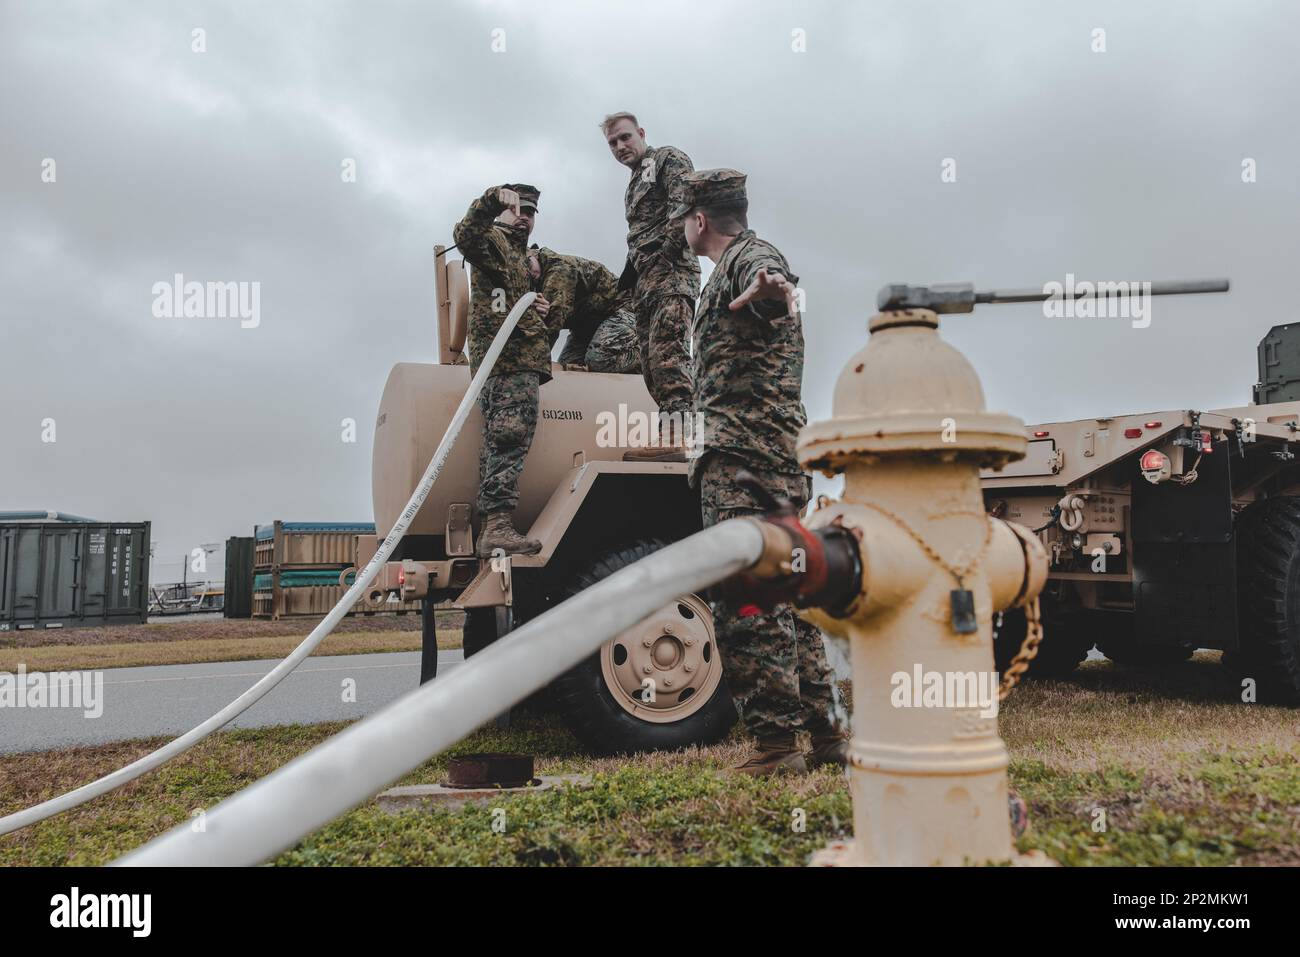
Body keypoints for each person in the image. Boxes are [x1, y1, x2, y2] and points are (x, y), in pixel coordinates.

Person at [677, 168, 847, 775]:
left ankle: (777, 748)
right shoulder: (732, 268)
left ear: (700, 220)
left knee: (748, 600)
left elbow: (774, 289)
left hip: (746, 460)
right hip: (767, 455)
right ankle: (826, 736)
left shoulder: (753, 259)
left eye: (685, 218)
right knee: (787, 597)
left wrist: (772, 290)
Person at [452, 183, 551, 557]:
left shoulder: (521, 256)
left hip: (520, 360)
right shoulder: (493, 239)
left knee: (506, 438)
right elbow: (465, 234)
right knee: (508, 437)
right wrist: (492, 200)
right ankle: (497, 526)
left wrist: (539, 307)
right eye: (518, 208)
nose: (524, 215)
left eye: (531, 211)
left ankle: (495, 527)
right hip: (505, 363)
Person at [600, 111, 699, 459]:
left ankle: (680, 433)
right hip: (645, 284)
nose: (620, 146)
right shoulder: (634, 183)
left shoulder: (667, 159)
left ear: (641, 133)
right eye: (612, 142)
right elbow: (640, 235)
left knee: (668, 354)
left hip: (672, 276)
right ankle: (669, 431)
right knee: (651, 363)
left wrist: (661, 258)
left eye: (625, 137)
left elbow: (684, 210)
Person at [528, 246, 640, 373]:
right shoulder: (527, 285)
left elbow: (553, 322)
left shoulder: (559, 269)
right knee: (568, 368)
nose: (529, 271)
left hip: (619, 310)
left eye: (528, 263)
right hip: (586, 326)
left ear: (533, 254)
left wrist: (530, 365)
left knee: (598, 360)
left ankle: (647, 354)